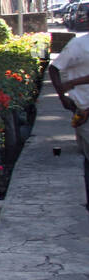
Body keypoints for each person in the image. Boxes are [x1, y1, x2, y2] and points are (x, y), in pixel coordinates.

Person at [49, 33, 89, 209]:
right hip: (83, 107)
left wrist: (72, 82)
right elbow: (54, 68)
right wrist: (62, 96)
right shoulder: (79, 45)